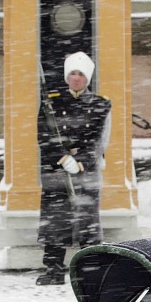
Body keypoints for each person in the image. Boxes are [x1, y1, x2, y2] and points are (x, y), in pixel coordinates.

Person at [36, 51, 112, 285]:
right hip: (57, 170)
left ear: (87, 78)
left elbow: (100, 139)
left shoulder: (100, 105)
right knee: (55, 221)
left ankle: (90, 271)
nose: (76, 78)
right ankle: (54, 268)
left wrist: (81, 161)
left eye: (80, 74)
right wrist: (61, 157)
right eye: (72, 74)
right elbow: (43, 134)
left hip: (85, 171)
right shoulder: (51, 102)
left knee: (87, 222)